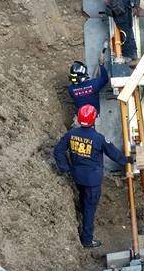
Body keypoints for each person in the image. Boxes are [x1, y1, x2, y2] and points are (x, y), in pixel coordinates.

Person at [53, 105, 128, 249]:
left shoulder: (71, 134)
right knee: (90, 209)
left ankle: (81, 209)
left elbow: (58, 151)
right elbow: (114, 154)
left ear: (79, 119)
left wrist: (65, 168)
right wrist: (127, 160)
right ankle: (87, 240)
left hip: (77, 176)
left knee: (82, 195)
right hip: (92, 180)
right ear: (94, 120)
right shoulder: (99, 139)